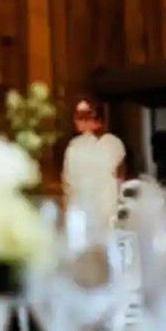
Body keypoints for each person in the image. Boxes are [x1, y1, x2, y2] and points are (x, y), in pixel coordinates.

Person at [62, 98, 126, 238]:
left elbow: (119, 178)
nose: (78, 121)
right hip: (81, 212)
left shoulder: (113, 144)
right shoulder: (74, 146)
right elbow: (68, 183)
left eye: (84, 117)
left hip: (106, 211)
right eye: (77, 116)